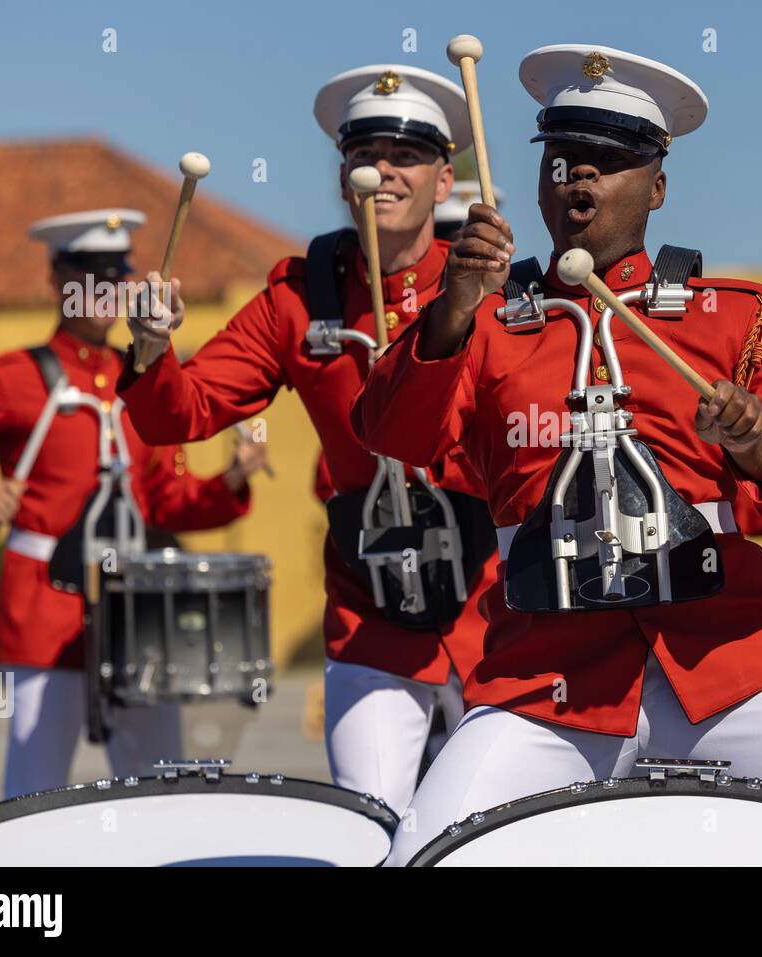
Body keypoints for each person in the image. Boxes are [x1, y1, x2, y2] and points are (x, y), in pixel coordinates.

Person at [353, 44, 762, 866]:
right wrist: (449, 309)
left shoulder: (738, 318)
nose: (579, 178)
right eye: (563, 161)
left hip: (726, 663)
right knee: (418, 859)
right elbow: (391, 436)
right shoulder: (483, 323)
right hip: (545, 678)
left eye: (611, 163)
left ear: (657, 188)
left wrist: (756, 444)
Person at [117, 65, 495, 817]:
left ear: (445, 177)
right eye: (366, 152)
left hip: (496, 610)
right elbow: (178, 415)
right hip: (371, 612)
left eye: (408, 152)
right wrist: (153, 349)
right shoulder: (298, 297)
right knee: (373, 823)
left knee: (497, 833)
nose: (384, 169)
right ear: (342, 174)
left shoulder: (492, 284)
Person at [0, 208, 261, 799]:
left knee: (158, 787)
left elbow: (167, 504)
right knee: (34, 791)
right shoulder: (10, 377)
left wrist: (229, 480)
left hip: (137, 613)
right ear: (57, 283)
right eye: (89, 281)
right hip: (46, 608)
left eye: (115, 281)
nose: (105, 295)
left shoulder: (144, 382)